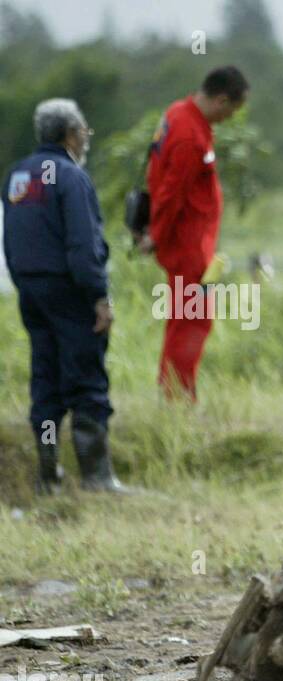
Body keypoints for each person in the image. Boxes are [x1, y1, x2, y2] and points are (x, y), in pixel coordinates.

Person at [3, 99, 131, 493]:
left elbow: (12, 238)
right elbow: (83, 245)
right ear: (71, 133)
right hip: (70, 290)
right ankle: (97, 477)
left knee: (46, 381)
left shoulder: (19, 175)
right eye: (85, 132)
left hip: (31, 290)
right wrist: (98, 295)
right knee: (86, 378)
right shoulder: (71, 177)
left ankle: (48, 475)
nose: (86, 138)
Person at [139, 65, 248, 401]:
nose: (229, 118)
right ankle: (178, 396)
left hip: (194, 243)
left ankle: (173, 390)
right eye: (231, 110)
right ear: (220, 100)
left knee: (182, 318)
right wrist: (156, 234)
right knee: (193, 320)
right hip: (188, 247)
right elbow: (171, 192)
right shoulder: (189, 135)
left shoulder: (178, 113)